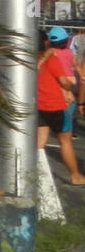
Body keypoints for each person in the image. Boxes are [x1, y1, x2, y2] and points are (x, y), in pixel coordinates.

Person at [38, 26, 85, 185]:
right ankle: (76, 176)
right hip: (58, 104)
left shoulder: (35, 60)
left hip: (40, 105)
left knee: (40, 142)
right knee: (65, 141)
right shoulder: (54, 59)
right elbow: (65, 83)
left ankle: (33, 173)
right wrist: (71, 88)